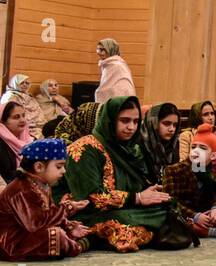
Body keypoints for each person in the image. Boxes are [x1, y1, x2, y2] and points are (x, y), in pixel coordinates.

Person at [58, 95, 170, 253]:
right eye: (124, 121)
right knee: (125, 222)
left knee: (165, 208)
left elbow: (138, 185)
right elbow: (91, 198)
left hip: (120, 209)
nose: (131, 127)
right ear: (110, 120)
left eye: (136, 121)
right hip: (85, 213)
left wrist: (150, 195)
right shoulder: (84, 149)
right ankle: (90, 238)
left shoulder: (131, 149)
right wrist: (137, 198)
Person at [0, 138, 92, 261]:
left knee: (66, 230)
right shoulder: (21, 190)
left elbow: (51, 211)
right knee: (56, 236)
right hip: (12, 244)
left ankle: (72, 240)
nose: (63, 171)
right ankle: (77, 247)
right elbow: (36, 223)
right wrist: (68, 208)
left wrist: (68, 226)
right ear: (39, 167)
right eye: (59, 166)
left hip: (29, 234)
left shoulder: (42, 184)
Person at [160, 123, 216, 242]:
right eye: (194, 147)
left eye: (203, 148)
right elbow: (170, 202)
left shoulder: (211, 173)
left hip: (202, 212)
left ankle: (203, 227)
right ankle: (205, 231)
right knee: (175, 220)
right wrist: (195, 216)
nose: (196, 151)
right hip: (183, 214)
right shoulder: (174, 170)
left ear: (213, 155)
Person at [139, 103, 181, 184]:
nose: (172, 129)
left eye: (175, 125)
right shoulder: (139, 143)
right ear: (153, 123)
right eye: (166, 123)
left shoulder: (174, 143)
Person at [0, 100, 34, 183]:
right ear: (3, 122)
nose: (23, 120)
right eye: (16, 117)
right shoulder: (1, 144)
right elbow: (6, 175)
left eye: (23, 115)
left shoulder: (30, 139)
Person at [94, 38, 136, 103]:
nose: (98, 53)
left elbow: (118, 89)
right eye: (97, 49)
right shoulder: (107, 65)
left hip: (120, 102)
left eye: (102, 50)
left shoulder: (117, 65)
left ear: (111, 49)